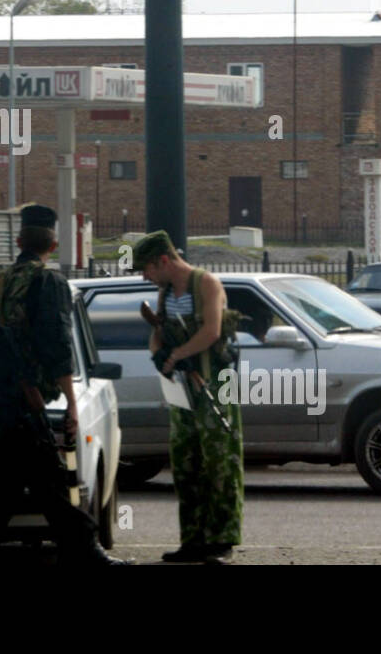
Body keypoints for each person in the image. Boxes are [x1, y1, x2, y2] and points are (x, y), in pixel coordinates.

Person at [0, 203, 125, 566]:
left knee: (5, 487)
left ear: (18, 241)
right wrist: (70, 402)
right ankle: (85, 552)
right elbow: (57, 344)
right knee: (48, 482)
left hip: (4, 397)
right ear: (52, 247)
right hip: (27, 399)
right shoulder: (48, 281)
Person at [134, 229, 244, 564]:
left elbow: (211, 331)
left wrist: (177, 354)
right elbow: (159, 332)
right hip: (182, 388)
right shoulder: (165, 293)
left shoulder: (205, 283)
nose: (145, 276)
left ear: (164, 260)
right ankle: (193, 539)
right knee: (186, 463)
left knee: (220, 463)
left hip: (213, 383)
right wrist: (159, 354)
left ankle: (221, 541)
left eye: (147, 269)